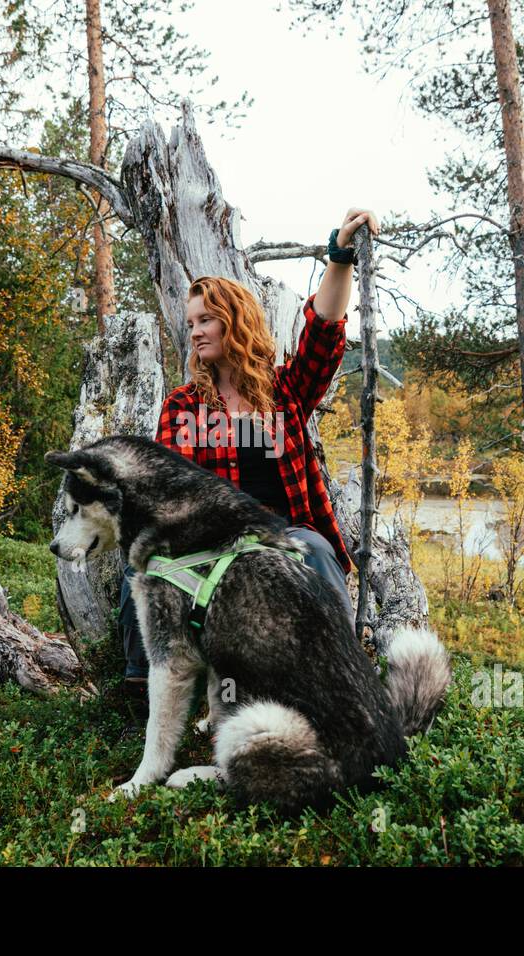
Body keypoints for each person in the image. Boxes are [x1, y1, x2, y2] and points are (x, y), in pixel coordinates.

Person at [117, 207, 381, 706]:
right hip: (209, 544)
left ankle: (339, 679)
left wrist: (340, 257)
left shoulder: (284, 392)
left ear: (234, 322)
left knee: (319, 552)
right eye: (190, 322)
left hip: (284, 535)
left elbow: (324, 333)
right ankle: (143, 688)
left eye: (207, 320)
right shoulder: (182, 405)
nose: (194, 331)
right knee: (146, 566)